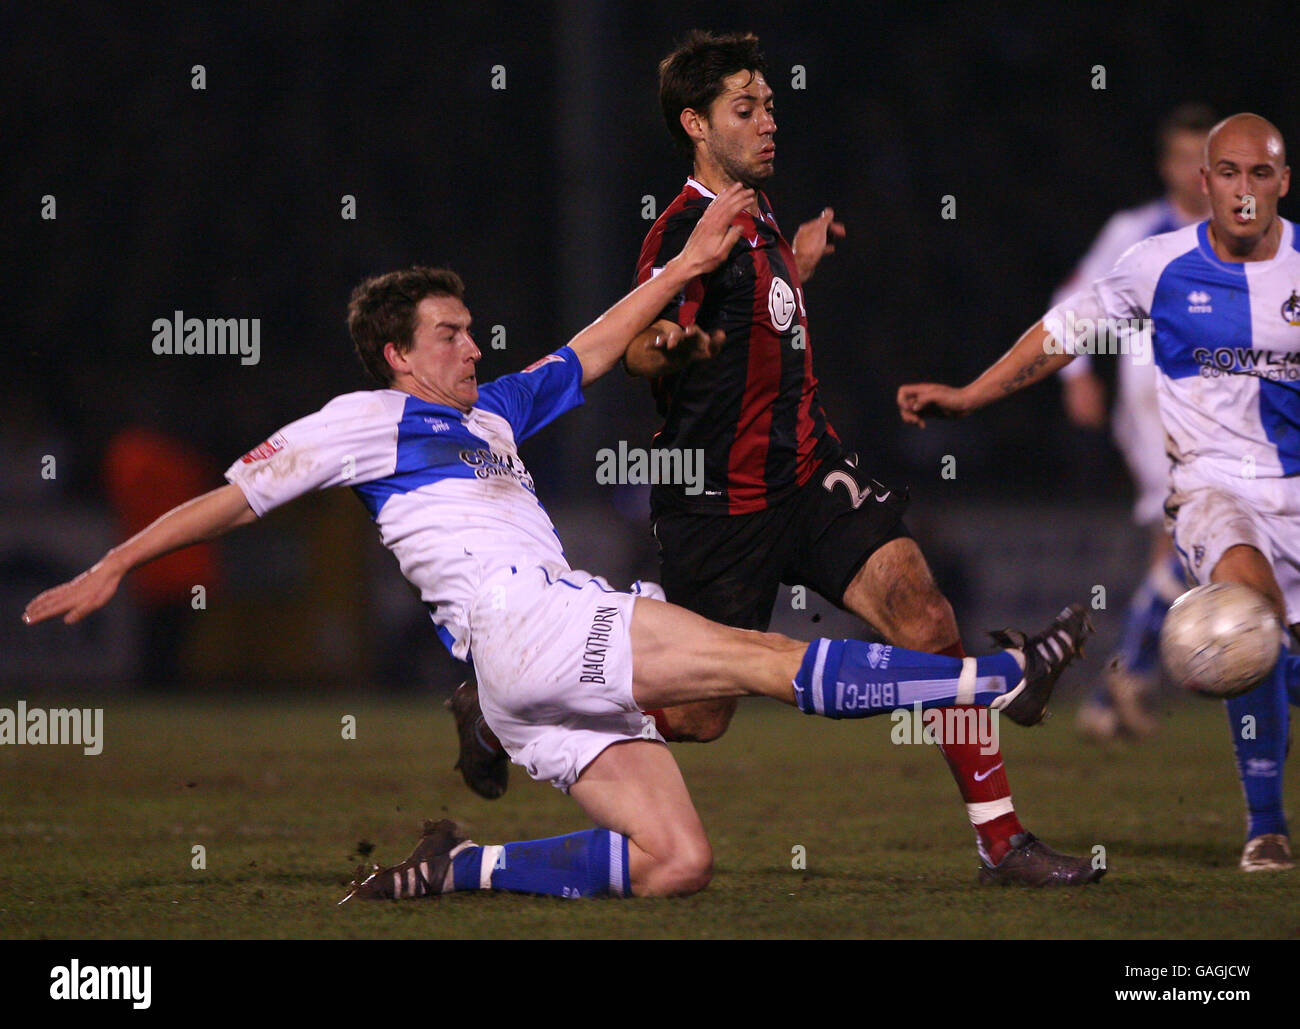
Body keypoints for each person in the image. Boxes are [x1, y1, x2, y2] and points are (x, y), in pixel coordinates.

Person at [24, 183, 1097, 899]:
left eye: (469, 329)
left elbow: (593, 345)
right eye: (449, 333)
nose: (471, 345)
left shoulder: (492, 413)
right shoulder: (365, 421)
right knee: (759, 659)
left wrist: (684, 270)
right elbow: (232, 499)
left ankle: (458, 869)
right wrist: (117, 561)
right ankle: (995, 678)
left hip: (517, 678)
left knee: (677, 860)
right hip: (529, 621)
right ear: (397, 355)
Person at [898, 113, 1300, 873]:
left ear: (1284, 180)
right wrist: (972, 395)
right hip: (1213, 488)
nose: (1244, 191)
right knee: (1250, 618)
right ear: (1205, 181)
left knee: (1275, 654)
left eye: (1261, 174)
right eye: (1229, 173)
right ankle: (1267, 827)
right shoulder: (1156, 262)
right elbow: (1065, 330)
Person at [1054, 104, 1215, 739]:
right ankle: (1134, 674)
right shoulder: (1136, 229)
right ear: (1166, 166)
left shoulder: (1240, 231)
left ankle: (1115, 690)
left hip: (1225, 401)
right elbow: (1075, 298)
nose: (1197, 172)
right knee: (1192, 527)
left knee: (1178, 543)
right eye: (1185, 159)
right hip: (1155, 395)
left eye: (1207, 160)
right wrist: (1077, 373)